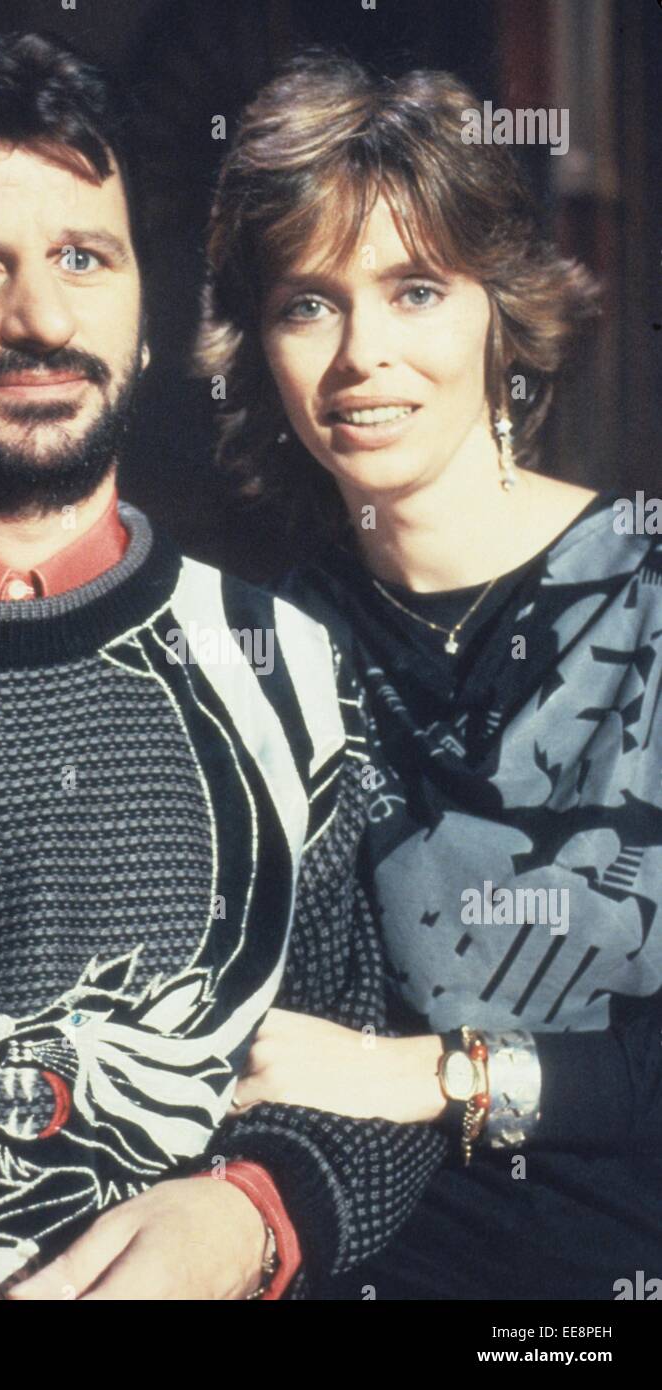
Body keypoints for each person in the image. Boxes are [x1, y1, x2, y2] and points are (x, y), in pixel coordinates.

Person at [0, 32, 448, 1302]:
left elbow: (370, 1048)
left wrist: (251, 1216)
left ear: (143, 311)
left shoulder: (287, 668)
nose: (41, 318)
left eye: (83, 259)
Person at [196, 50, 662, 1299]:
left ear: (498, 311)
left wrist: (437, 1072)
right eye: (307, 302)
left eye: (412, 290)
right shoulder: (251, 639)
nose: (359, 356)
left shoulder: (648, 591)